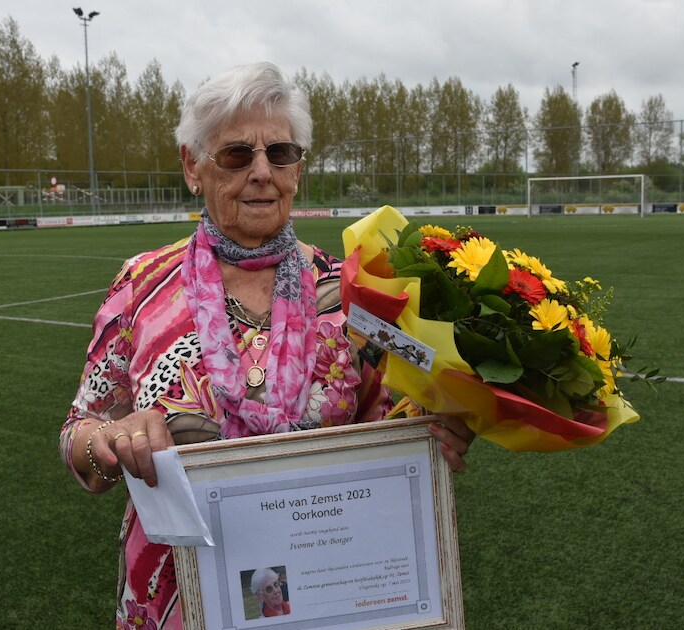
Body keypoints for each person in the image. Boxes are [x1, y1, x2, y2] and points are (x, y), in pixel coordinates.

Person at [59, 61, 475, 630]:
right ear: (192, 165)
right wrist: (108, 442)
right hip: (179, 600)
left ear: (297, 169)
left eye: (280, 153)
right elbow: (78, 430)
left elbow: (398, 424)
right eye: (235, 154)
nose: (262, 172)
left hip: (333, 599)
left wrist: (441, 429)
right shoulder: (141, 285)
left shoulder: (352, 294)